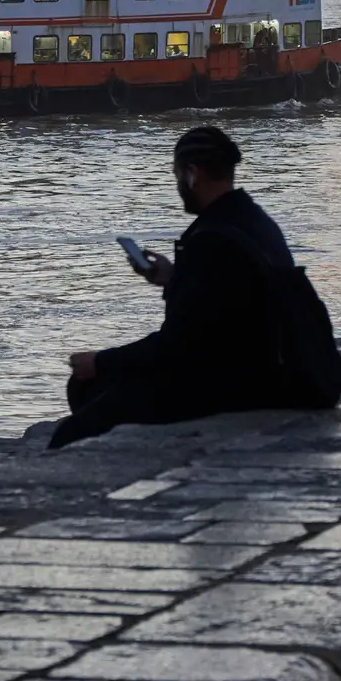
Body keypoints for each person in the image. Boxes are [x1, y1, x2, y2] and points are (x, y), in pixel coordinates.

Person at [53, 127, 313, 449]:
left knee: (75, 419)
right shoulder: (251, 219)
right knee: (93, 389)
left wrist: (100, 361)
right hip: (261, 364)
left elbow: (177, 345)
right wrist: (175, 278)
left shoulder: (210, 240)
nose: (177, 186)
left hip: (233, 381)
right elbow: (226, 297)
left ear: (192, 174)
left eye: (177, 174)